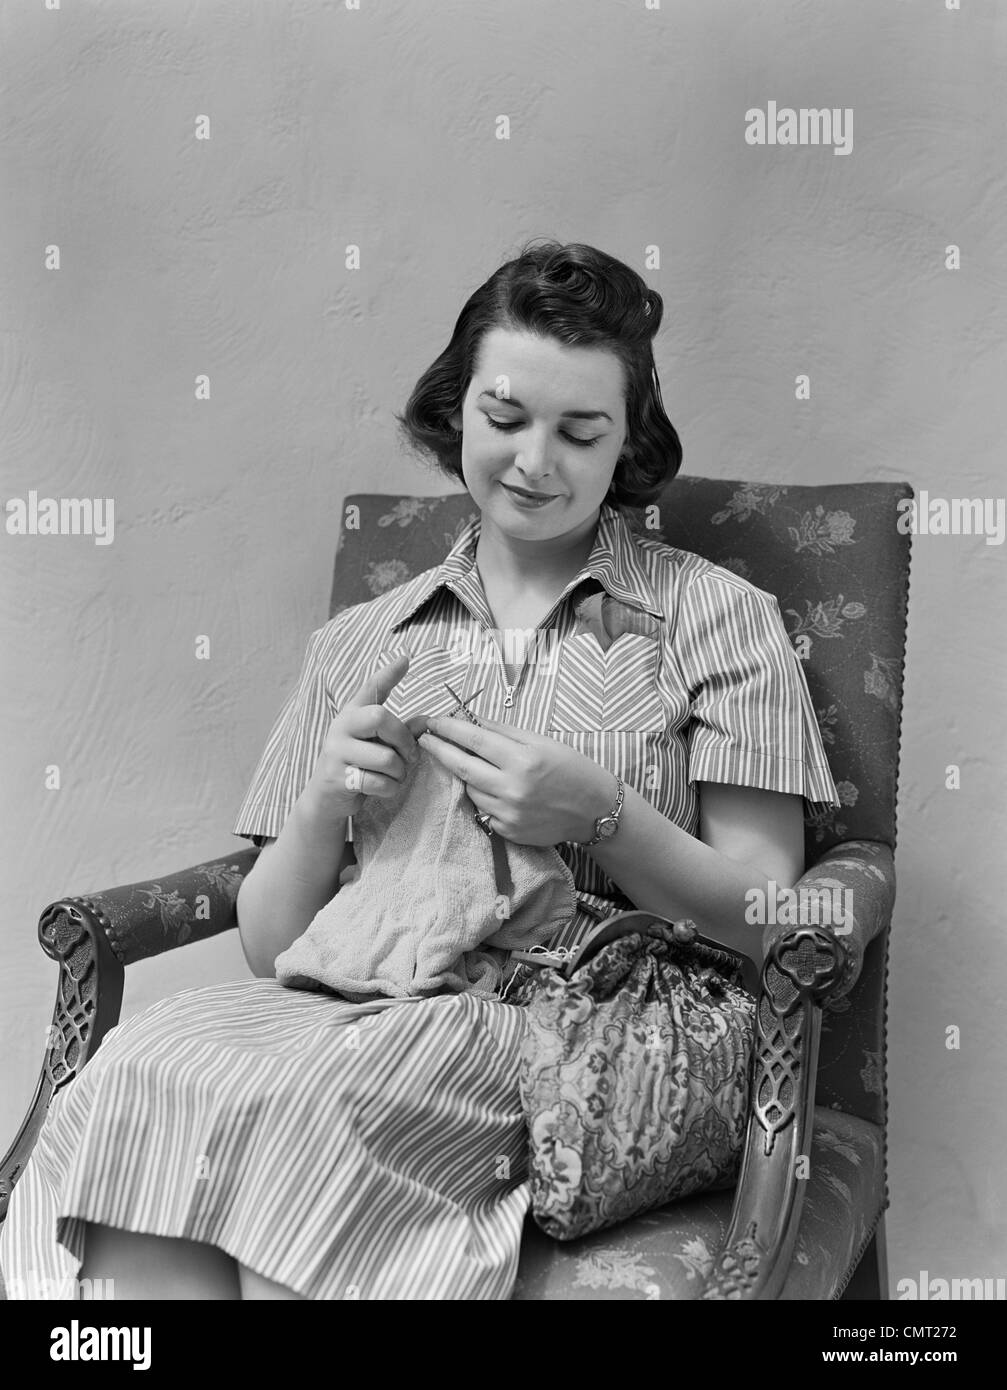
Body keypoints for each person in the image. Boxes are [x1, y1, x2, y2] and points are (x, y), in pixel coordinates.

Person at [0, 239, 838, 1301]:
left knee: (321, 1098)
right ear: (455, 412)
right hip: (369, 992)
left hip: (598, 1022)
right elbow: (271, 947)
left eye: (579, 432)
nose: (535, 460)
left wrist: (601, 813)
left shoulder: (714, 617)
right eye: (503, 419)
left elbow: (770, 919)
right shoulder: (365, 639)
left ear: (627, 445)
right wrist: (323, 805)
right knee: (146, 1067)